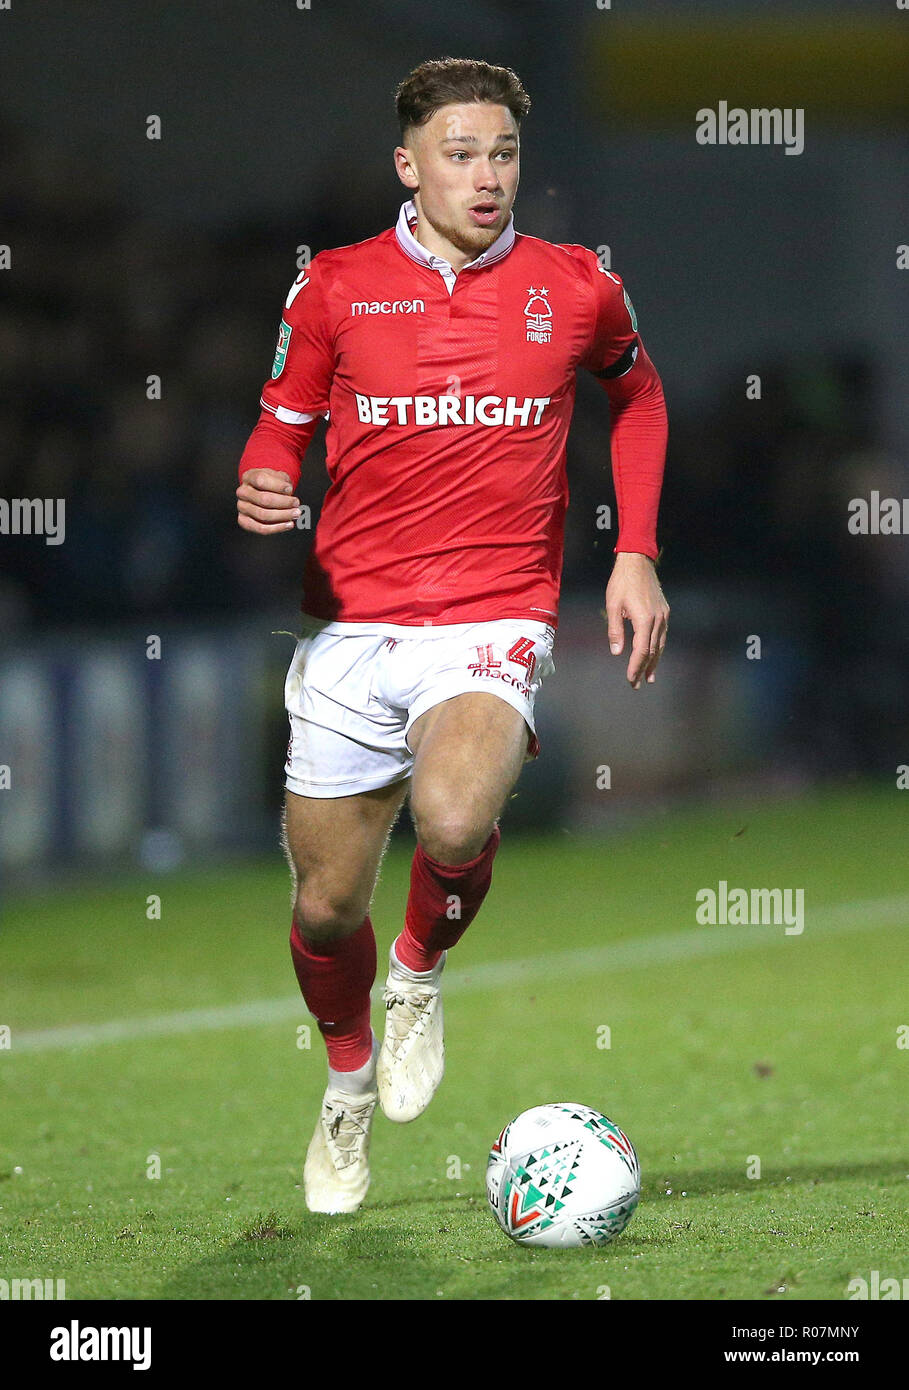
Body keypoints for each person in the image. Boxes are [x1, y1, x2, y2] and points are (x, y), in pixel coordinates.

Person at [236, 56, 669, 1214]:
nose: (487, 177)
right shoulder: (332, 287)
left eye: (505, 154)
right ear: (409, 165)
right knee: (326, 907)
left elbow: (640, 396)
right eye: (462, 154)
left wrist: (635, 549)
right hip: (350, 626)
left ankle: (419, 973)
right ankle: (346, 1081)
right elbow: (279, 429)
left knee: (456, 812)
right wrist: (265, 481)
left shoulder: (575, 287)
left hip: (491, 616)